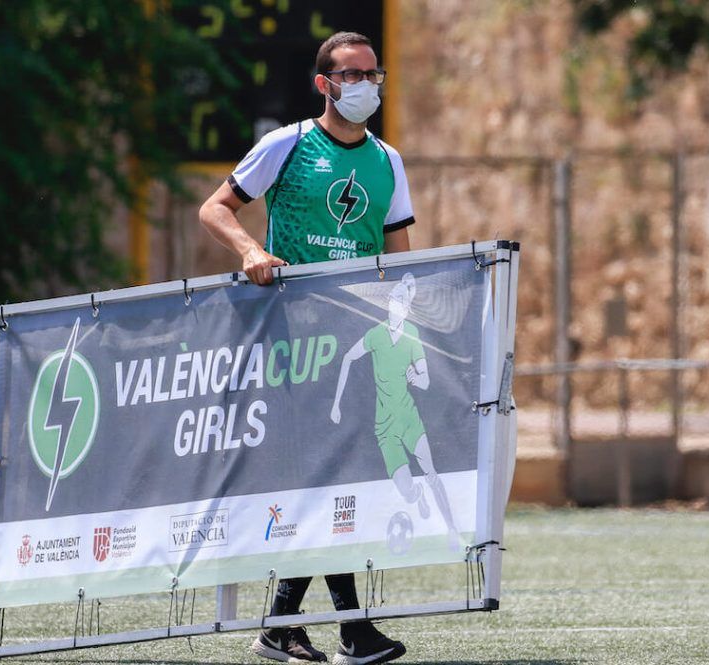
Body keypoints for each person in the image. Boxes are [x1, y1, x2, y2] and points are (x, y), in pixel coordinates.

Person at [199, 30, 413, 665]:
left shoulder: (388, 160)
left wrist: (410, 317)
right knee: (322, 477)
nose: (365, 85)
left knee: (336, 481)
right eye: (351, 75)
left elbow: (401, 259)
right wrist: (251, 251)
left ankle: (301, 625)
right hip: (291, 340)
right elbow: (214, 208)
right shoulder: (287, 143)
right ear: (325, 84)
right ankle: (341, 627)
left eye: (372, 74)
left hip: (357, 339)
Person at [330, 273, 462, 551]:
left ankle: (452, 529)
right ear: (388, 303)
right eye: (393, 298)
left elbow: (425, 380)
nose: (395, 303)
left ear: (407, 307)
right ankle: (417, 494)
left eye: (401, 300)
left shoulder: (413, 335)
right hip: (385, 426)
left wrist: (416, 376)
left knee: (431, 471)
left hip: (408, 418)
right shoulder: (375, 335)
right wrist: (336, 404)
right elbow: (347, 358)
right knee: (406, 489)